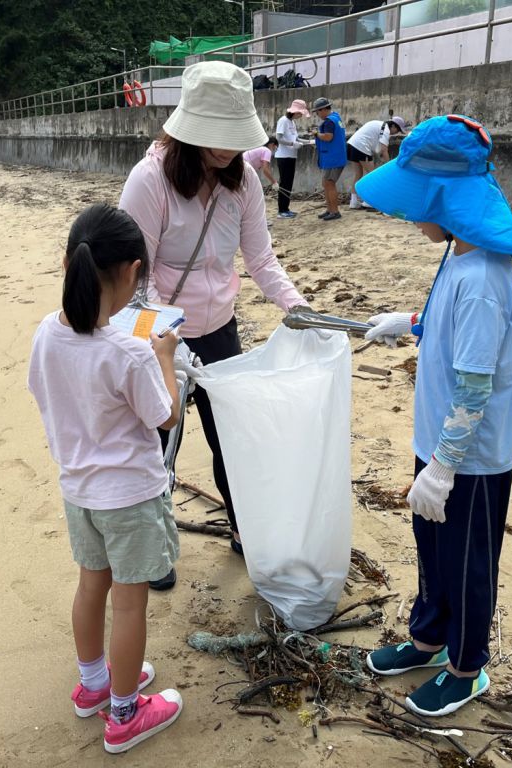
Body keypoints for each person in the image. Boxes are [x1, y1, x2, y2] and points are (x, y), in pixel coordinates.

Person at [355, 115, 512, 717]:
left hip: (471, 460)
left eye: (418, 203)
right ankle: (429, 638)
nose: (410, 217)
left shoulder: (481, 278)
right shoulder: (457, 256)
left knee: (467, 563)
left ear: (447, 201)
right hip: (439, 446)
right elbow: (451, 335)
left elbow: (476, 386)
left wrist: (445, 467)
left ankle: (466, 666)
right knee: (432, 547)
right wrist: (410, 323)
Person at [119, 61, 308, 565]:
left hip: (219, 328)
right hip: (156, 331)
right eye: (214, 135)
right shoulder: (150, 180)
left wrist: (298, 306)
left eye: (232, 135)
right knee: (158, 441)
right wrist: (167, 337)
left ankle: (244, 526)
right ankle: (152, 546)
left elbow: (261, 258)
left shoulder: (243, 180)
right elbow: (138, 276)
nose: (225, 148)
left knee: (232, 437)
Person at [27, 203, 184, 753]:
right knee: (130, 602)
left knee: (90, 585)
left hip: (78, 489)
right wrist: (163, 356)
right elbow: (164, 416)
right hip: (130, 496)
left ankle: (94, 684)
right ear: (133, 274)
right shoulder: (128, 351)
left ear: (69, 262)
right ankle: (124, 713)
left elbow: (43, 391)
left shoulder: (47, 332)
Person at [347, 116, 406, 209]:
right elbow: (384, 150)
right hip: (361, 147)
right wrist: (389, 166)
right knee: (372, 175)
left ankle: (353, 202)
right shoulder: (385, 130)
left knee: (358, 174)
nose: (396, 133)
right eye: (398, 130)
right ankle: (368, 202)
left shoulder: (378, 123)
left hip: (351, 145)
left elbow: (376, 148)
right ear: (394, 126)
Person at [311, 97, 347, 221]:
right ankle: (330, 209)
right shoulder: (336, 118)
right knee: (326, 183)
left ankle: (334, 211)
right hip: (335, 156)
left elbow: (328, 137)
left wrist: (316, 134)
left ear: (324, 109)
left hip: (332, 157)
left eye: (318, 111)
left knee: (329, 183)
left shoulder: (329, 122)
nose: (317, 114)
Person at [273, 99, 310, 218]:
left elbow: (296, 139)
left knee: (289, 183)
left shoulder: (292, 122)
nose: (300, 116)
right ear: (295, 112)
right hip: (283, 156)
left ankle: (286, 208)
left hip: (292, 155)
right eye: (300, 113)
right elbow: (278, 138)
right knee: (284, 183)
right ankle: (281, 210)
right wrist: (291, 145)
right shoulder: (283, 121)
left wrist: (309, 141)